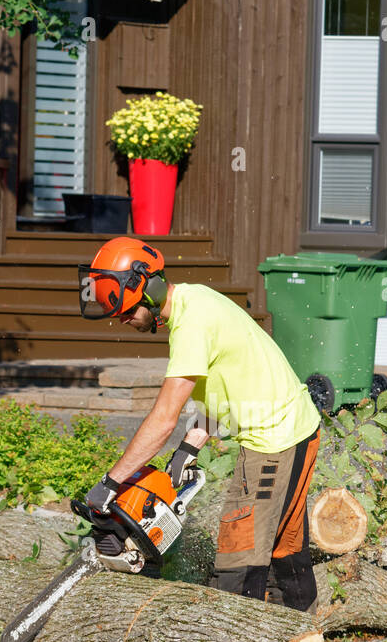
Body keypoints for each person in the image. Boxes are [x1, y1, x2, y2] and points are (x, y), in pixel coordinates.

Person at [78, 236, 322, 611]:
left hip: (277, 439)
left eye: (127, 312)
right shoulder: (194, 301)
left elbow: (162, 420)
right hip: (289, 428)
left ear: (151, 289)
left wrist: (110, 484)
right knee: (285, 544)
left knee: (240, 557)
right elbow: (229, 380)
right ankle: (301, 635)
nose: (124, 320)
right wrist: (191, 445)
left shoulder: (191, 325)